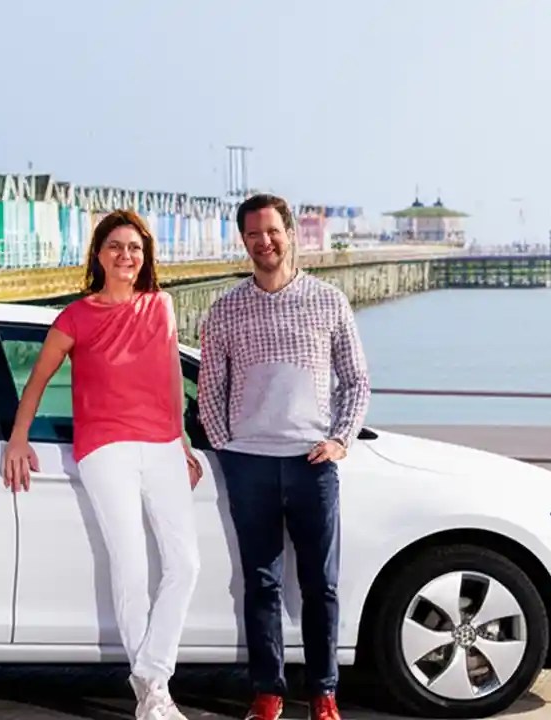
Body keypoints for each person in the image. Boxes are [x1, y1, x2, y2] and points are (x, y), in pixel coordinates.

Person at [2, 209, 202, 720]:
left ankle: (151, 673)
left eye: (134, 248)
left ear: (145, 255)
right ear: (98, 255)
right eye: (115, 246)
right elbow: (38, 380)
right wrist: (18, 438)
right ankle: (154, 695)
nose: (125, 256)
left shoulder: (161, 306)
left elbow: (167, 383)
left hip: (161, 445)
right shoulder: (75, 317)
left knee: (186, 564)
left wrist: (181, 441)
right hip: (105, 447)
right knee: (131, 564)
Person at [197, 194, 370, 720]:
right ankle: (268, 693)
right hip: (248, 464)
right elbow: (209, 388)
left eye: (271, 231)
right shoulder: (226, 308)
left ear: (289, 233)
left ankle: (323, 694)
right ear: (244, 240)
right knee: (261, 584)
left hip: (312, 464)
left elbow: (356, 379)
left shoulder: (328, 301)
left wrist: (341, 438)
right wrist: (229, 447)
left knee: (321, 585)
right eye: (253, 234)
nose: (263, 242)